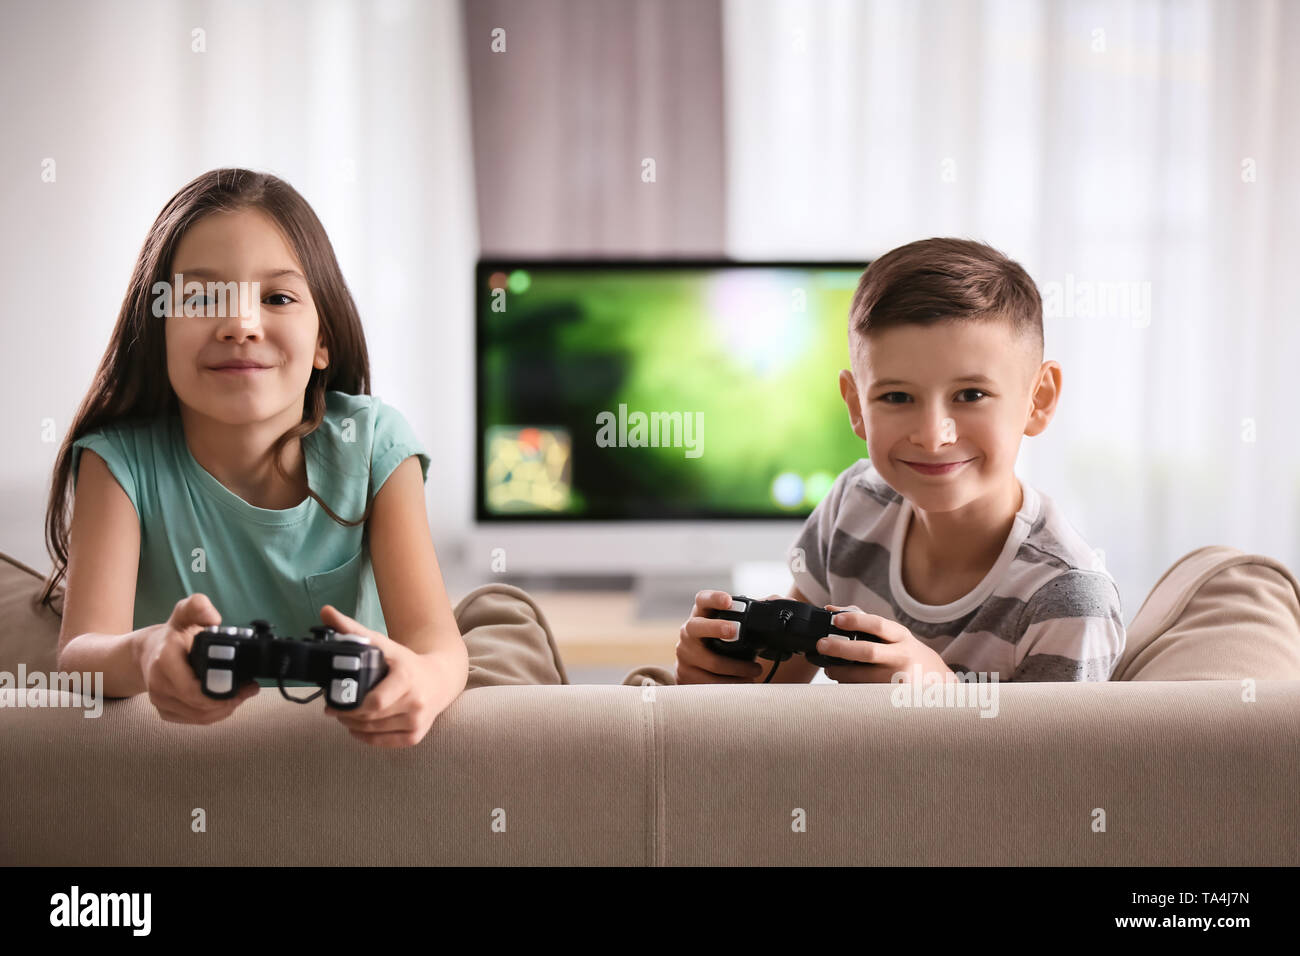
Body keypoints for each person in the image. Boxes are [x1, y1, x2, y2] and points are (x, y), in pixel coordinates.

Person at [43, 168, 468, 746]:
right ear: (159, 327)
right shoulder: (118, 462)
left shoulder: (374, 445)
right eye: (200, 298)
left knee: (497, 627)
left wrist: (423, 680)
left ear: (324, 342)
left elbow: (439, 647)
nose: (241, 324)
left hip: (343, 760)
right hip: (184, 770)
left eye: (277, 297)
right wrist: (146, 652)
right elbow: (79, 654)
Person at [676, 237, 1125, 685]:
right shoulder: (855, 502)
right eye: (896, 396)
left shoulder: (1067, 599)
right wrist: (716, 677)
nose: (933, 436)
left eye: (971, 395)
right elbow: (776, 692)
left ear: (1039, 399)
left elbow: (1060, 759)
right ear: (856, 407)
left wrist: (939, 695)